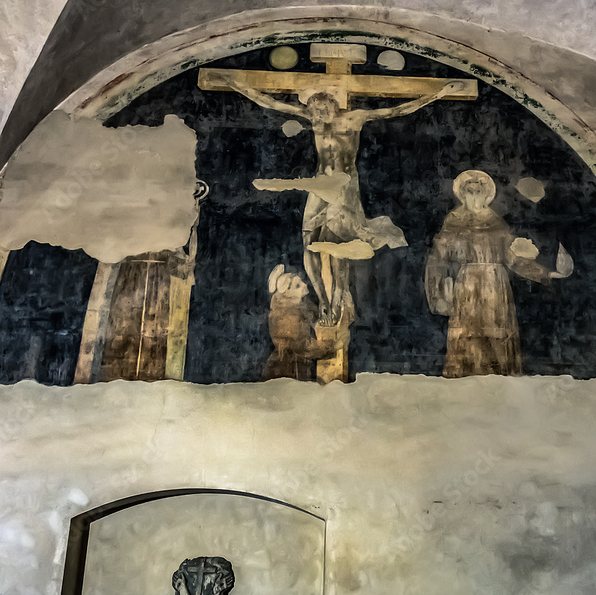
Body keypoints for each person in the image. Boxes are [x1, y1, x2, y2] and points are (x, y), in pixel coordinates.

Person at [221, 76, 466, 325]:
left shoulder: (354, 118)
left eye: (322, 108)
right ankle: (322, 301)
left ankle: (337, 298)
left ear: (333, 104)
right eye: (314, 110)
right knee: (308, 240)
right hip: (319, 185)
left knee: (337, 243)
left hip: (343, 186)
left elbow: (396, 110)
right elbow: (270, 103)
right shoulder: (312, 118)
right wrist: (233, 85)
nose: (318, 114)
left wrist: (439, 94)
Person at [425, 170, 573, 377]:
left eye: (478, 191)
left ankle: (499, 378)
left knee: (496, 332)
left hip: (495, 283)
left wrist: (545, 274)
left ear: (486, 195)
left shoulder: (496, 223)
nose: (474, 195)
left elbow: (513, 258)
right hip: (468, 283)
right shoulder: (454, 221)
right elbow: (437, 260)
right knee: (468, 334)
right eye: (470, 191)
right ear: (463, 194)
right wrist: (438, 294)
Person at [263, 264, 347, 380]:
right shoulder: (287, 317)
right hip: (289, 368)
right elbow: (304, 346)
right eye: (297, 286)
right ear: (287, 293)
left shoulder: (298, 308)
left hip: (297, 363)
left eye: (301, 282)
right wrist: (328, 346)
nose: (304, 285)